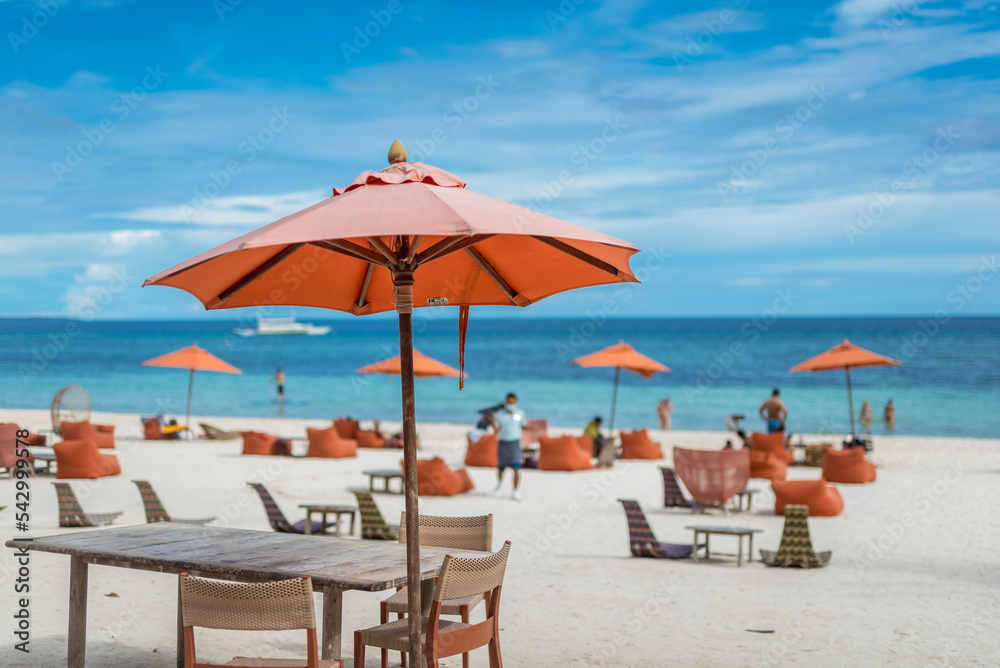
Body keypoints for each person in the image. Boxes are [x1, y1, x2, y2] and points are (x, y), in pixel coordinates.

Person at [490, 392, 524, 501]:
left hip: (515, 443)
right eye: (509, 402)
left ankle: (515, 491)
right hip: (503, 443)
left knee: (516, 468)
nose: (511, 404)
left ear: (516, 402)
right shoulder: (499, 415)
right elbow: (496, 430)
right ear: (505, 402)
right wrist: (491, 421)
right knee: (501, 469)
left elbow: (522, 425)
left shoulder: (520, 414)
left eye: (512, 402)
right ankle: (499, 485)